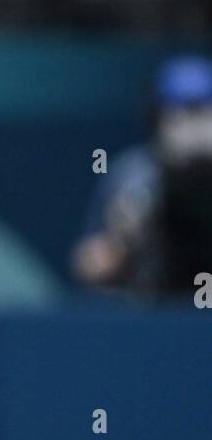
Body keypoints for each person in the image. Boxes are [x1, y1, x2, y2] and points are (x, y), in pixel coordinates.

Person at [72, 55, 212, 295]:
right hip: (156, 309)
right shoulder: (134, 173)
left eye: (200, 112)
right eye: (180, 112)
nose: (192, 126)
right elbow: (88, 265)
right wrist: (124, 241)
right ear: (157, 117)